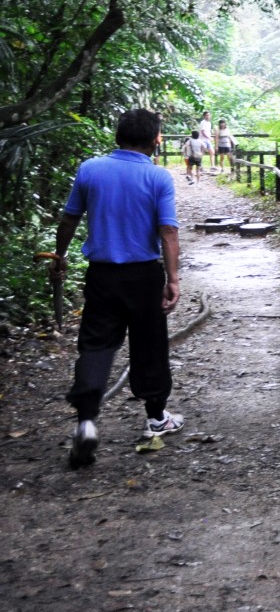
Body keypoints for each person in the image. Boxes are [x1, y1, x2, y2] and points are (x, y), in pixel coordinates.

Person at [51, 108, 184, 468]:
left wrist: (59, 255)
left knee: (95, 345)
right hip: (144, 276)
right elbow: (168, 231)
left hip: (102, 275)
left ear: (118, 134)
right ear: (156, 139)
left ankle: (87, 423)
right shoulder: (158, 176)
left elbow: (69, 218)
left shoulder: (90, 169)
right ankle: (156, 418)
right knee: (149, 344)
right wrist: (173, 279)